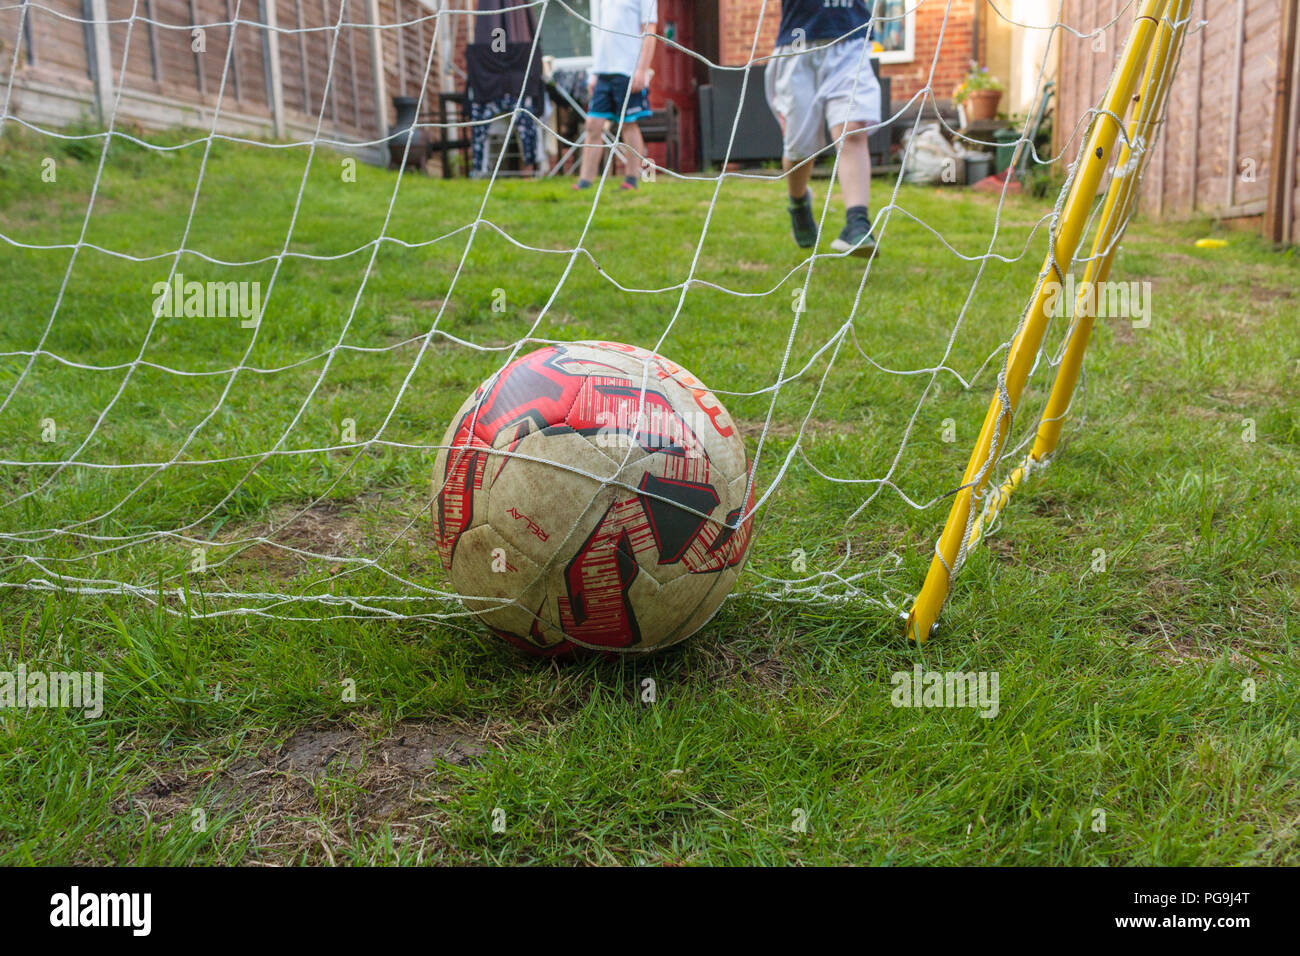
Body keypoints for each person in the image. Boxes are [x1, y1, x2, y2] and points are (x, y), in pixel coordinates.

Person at [764, 0, 881, 256]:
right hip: (797, 45)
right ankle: (798, 201)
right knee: (799, 150)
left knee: (852, 127)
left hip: (849, 40)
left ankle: (857, 222)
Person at [574, 0, 658, 191]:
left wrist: (642, 69)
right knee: (592, 125)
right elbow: (604, 36)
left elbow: (650, 31)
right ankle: (585, 182)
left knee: (628, 124)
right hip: (604, 71)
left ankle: (631, 180)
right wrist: (595, 72)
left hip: (628, 69)